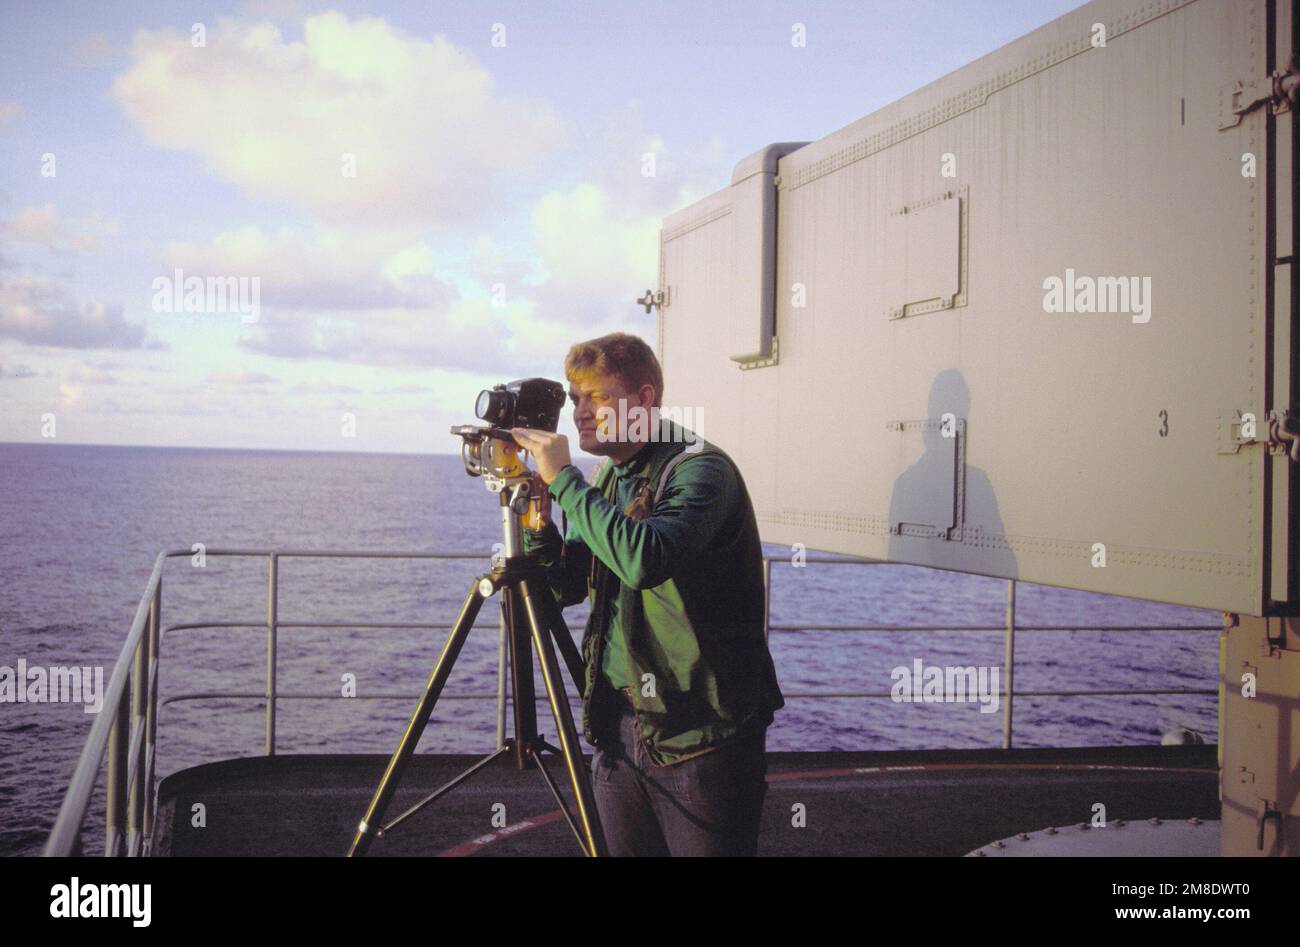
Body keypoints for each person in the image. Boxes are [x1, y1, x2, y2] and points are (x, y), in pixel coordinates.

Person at [510, 331, 784, 857]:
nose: (580, 413)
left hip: (697, 733)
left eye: (596, 397)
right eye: (574, 400)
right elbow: (566, 585)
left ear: (644, 400)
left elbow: (644, 559)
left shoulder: (701, 470)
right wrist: (537, 517)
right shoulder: (610, 475)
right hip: (618, 724)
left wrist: (565, 480)